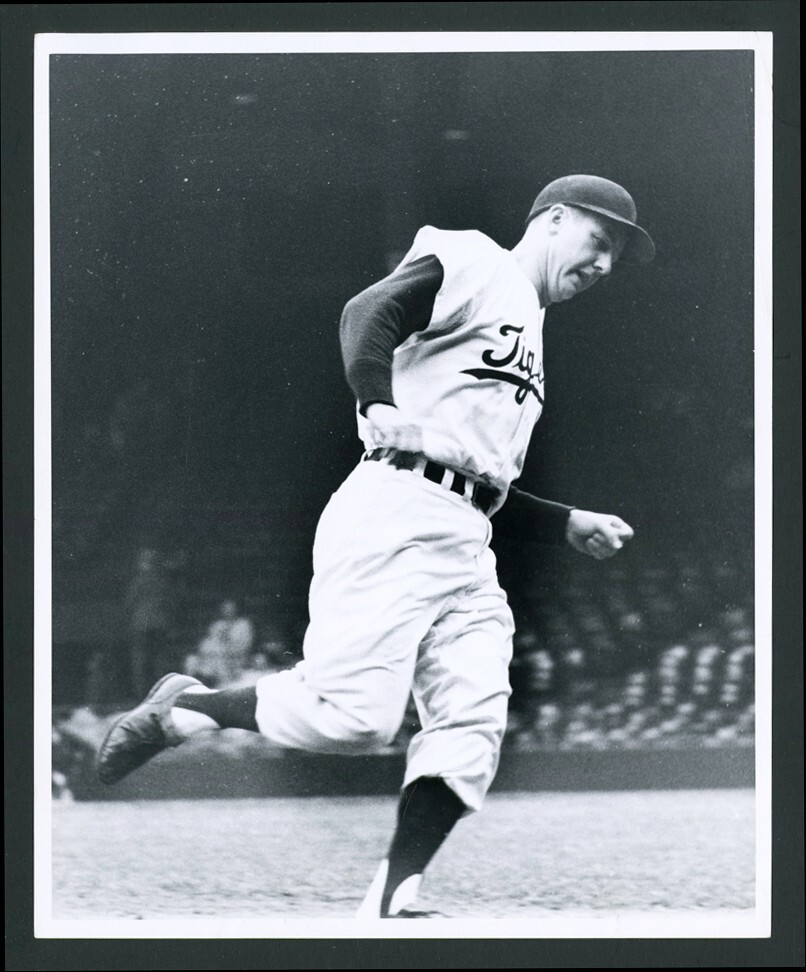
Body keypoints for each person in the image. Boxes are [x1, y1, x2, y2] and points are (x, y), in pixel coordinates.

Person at [96, 174, 654, 918]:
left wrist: (561, 520)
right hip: (395, 511)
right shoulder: (480, 263)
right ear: (555, 219)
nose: (605, 264)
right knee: (355, 720)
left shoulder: (531, 325)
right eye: (600, 240)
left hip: (465, 538)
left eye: (616, 253)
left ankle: (395, 891)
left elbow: (474, 475)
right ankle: (188, 709)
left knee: (473, 722)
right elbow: (368, 310)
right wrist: (376, 398)